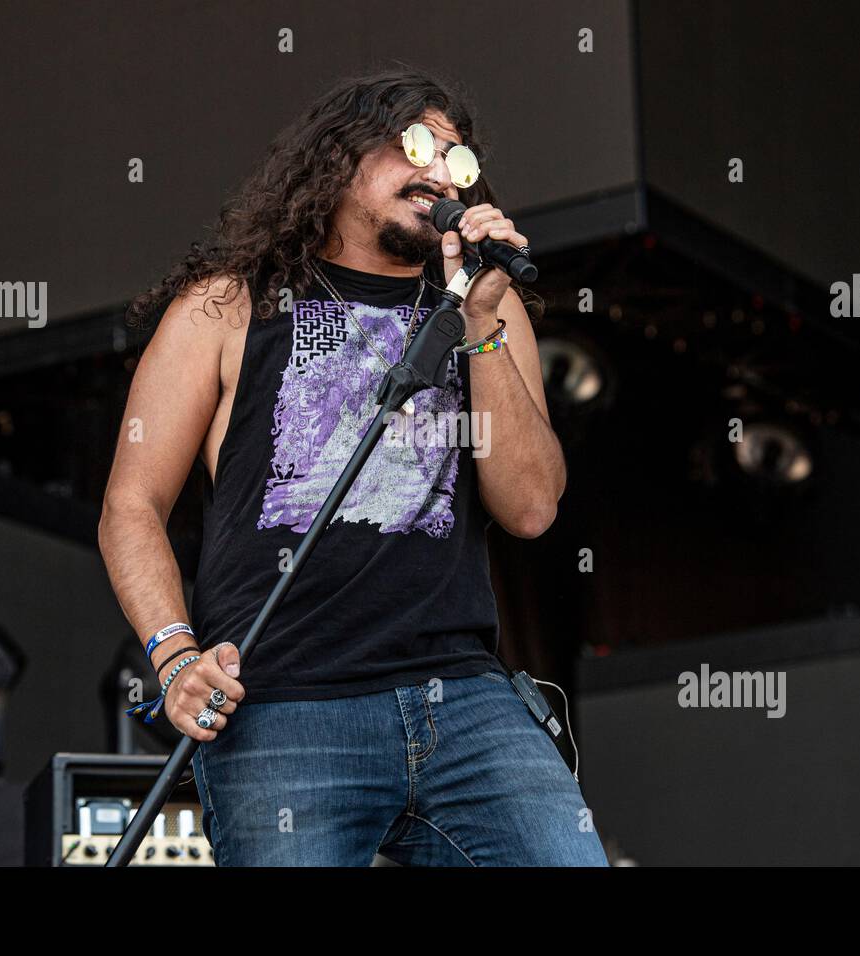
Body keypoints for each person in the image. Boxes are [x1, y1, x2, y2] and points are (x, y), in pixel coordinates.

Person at [99, 68, 608, 866]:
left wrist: (478, 324)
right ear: (339, 159)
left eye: (458, 161)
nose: (440, 173)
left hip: (464, 697)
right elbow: (131, 505)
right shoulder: (226, 304)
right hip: (284, 705)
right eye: (416, 147)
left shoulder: (487, 307)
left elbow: (533, 507)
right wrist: (174, 657)